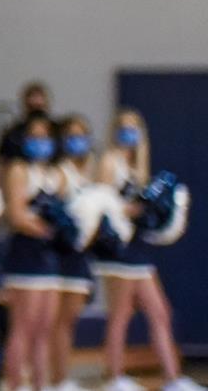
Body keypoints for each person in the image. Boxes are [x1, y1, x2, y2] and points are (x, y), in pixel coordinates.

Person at [92, 111, 201, 391]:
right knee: (121, 314)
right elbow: (104, 203)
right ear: (115, 131)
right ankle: (113, 376)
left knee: (160, 312)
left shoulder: (138, 166)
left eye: (134, 129)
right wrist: (136, 209)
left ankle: (172, 379)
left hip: (139, 249)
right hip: (119, 250)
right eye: (124, 128)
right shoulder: (109, 161)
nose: (129, 134)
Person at [0, 111, 64, 391]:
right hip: (25, 254)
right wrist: (49, 230)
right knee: (23, 327)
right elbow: (16, 215)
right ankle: (15, 384)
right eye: (34, 137)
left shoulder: (56, 174)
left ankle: (40, 384)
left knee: (44, 329)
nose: (41, 142)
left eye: (46, 137)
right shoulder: (18, 170)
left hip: (49, 255)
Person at [47, 114, 98, 391]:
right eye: (71, 136)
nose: (77, 142)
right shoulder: (59, 172)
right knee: (58, 322)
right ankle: (55, 379)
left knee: (69, 320)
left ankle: (62, 376)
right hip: (61, 254)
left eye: (82, 135)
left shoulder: (86, 172)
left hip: (80, 256)